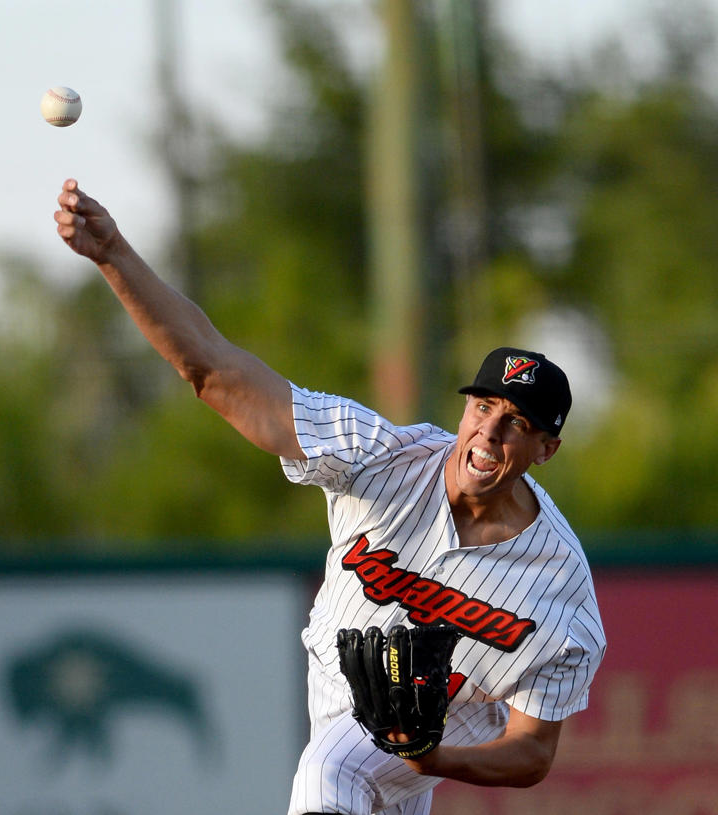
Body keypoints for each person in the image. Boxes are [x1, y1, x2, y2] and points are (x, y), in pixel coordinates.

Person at [54, 178, 606, 815]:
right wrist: (114, 254)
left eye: (518, 422)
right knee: (337, 763)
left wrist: (432, 759)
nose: (490, 430)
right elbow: (214, 370)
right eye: (483, 406)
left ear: (545, 450)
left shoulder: (559, 588)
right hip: (342, 712)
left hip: (437, 733)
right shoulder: (382, 458)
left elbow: (532, 752)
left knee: (331, 769)